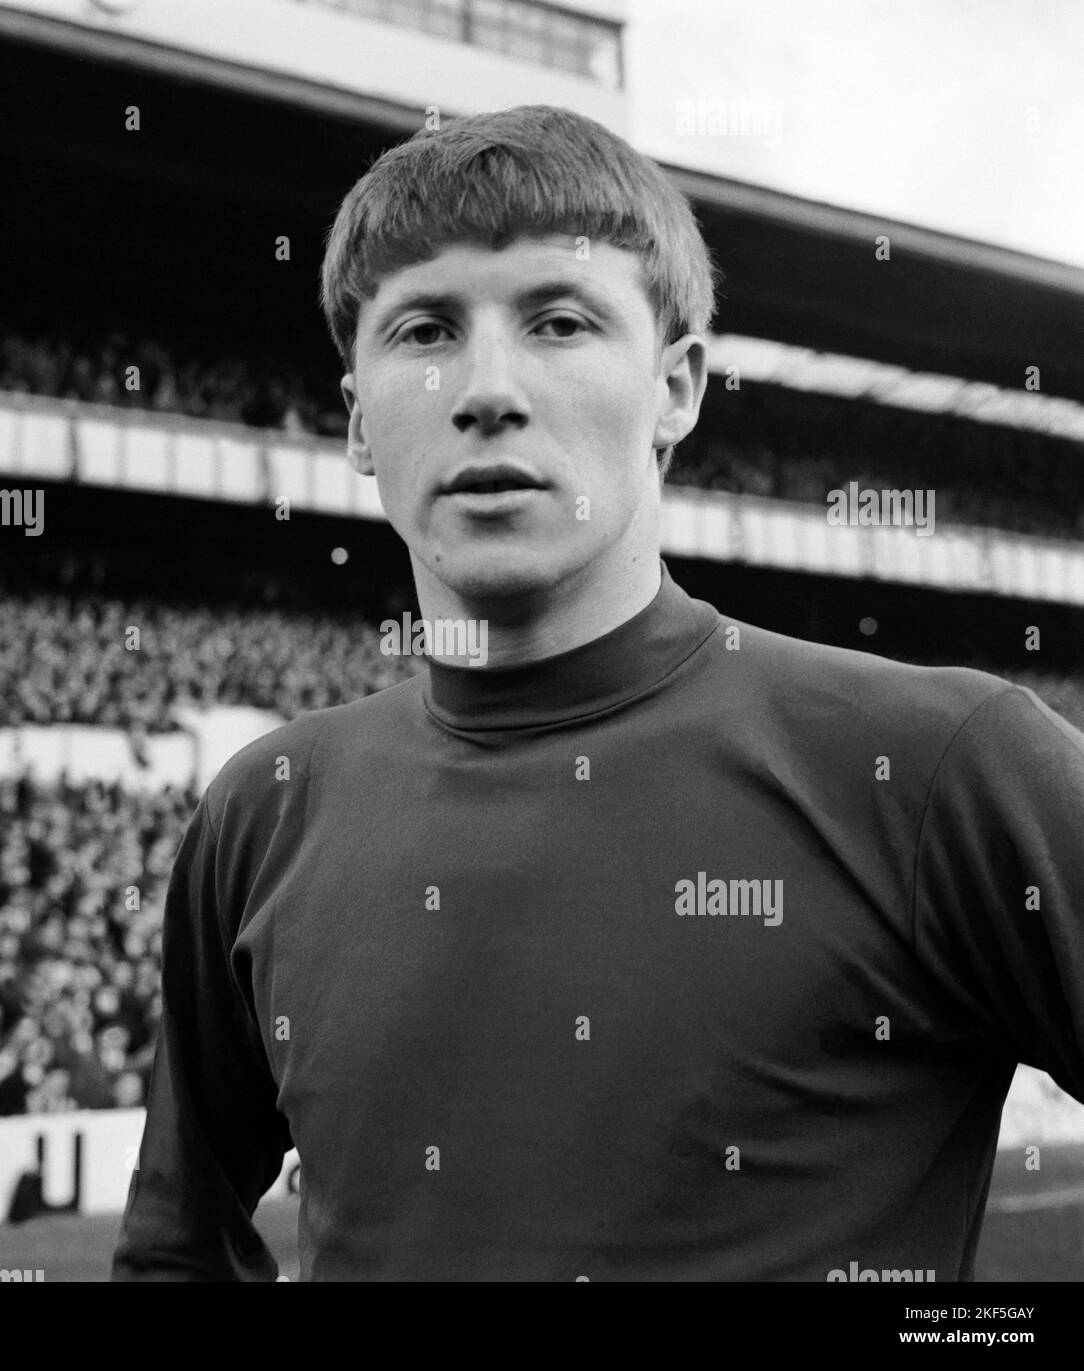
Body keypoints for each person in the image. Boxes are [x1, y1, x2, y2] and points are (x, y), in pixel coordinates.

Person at [112, 105, 1084, 1282]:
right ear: (359, 421)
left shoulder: (940, 767)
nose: (485, 390)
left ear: (676, 389)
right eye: (423, 330)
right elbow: (173, 1248)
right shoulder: (262, 809)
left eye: (559, 323)